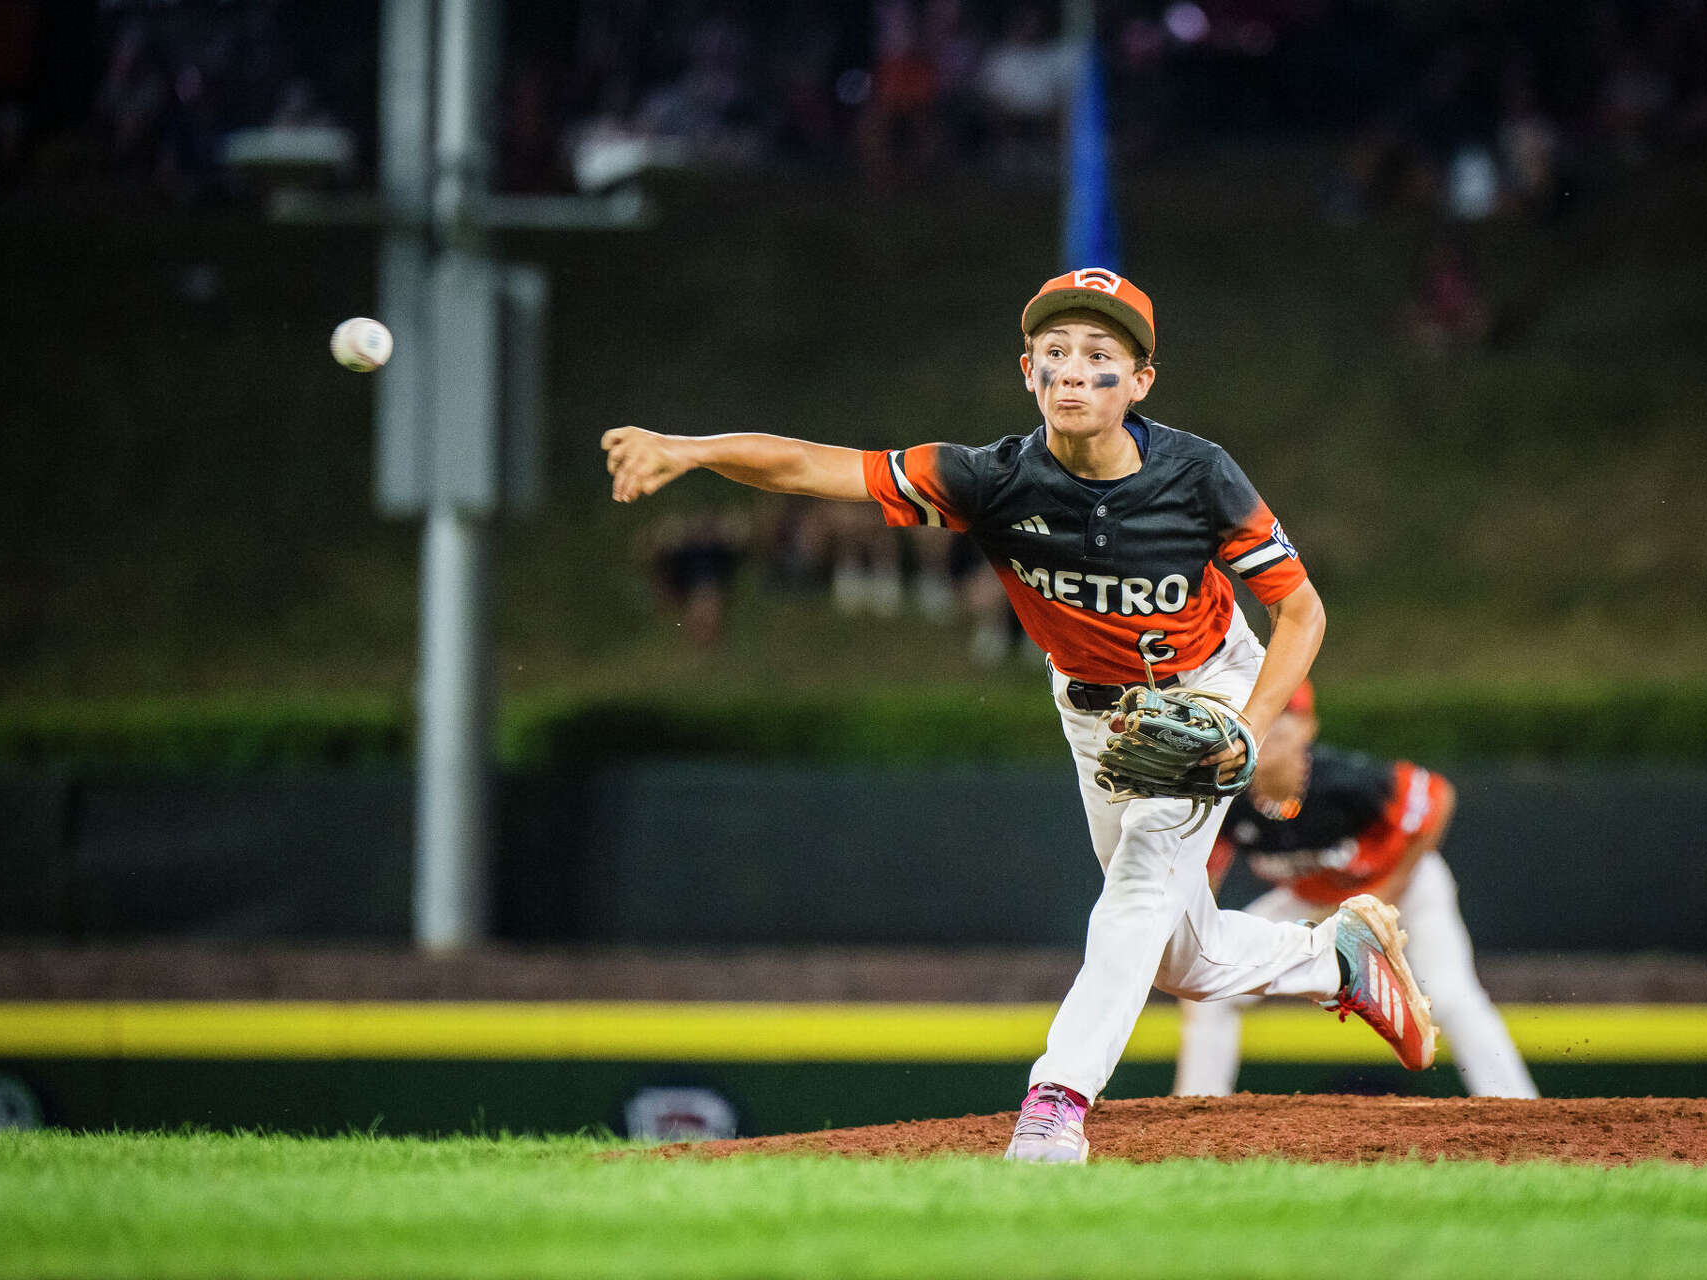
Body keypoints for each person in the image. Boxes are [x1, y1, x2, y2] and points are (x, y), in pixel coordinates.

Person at [601, 268, 1438, 1163]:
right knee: (1175, 957)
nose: (1074, 372)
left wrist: (1246, 725)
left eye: (1100, 356)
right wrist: (687, 448)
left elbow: (1301, 610)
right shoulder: (990, 481)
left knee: (1143, 883)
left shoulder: (1200, 476)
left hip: (1208, 688)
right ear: (1028, 373)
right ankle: (1336, 959)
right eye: (1056, 354)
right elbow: (817, 466)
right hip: (1096, 715)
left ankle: (1056, 1101)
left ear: (1141, 381)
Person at [1175, 680, 1538, 1100]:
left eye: (1284, 714)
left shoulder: (1342, 780)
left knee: (1451, 995)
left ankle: (1517, 1105)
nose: (1271, 726)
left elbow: (1436, 797)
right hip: (1317, 900)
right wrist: (1192, 941)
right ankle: (1196, 1104)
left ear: (1307, 726)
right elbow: (1204, 877)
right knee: (1212, 979)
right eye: (1260, 715)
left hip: (1408, 892)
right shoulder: (1227, 797)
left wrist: (1389, 889)